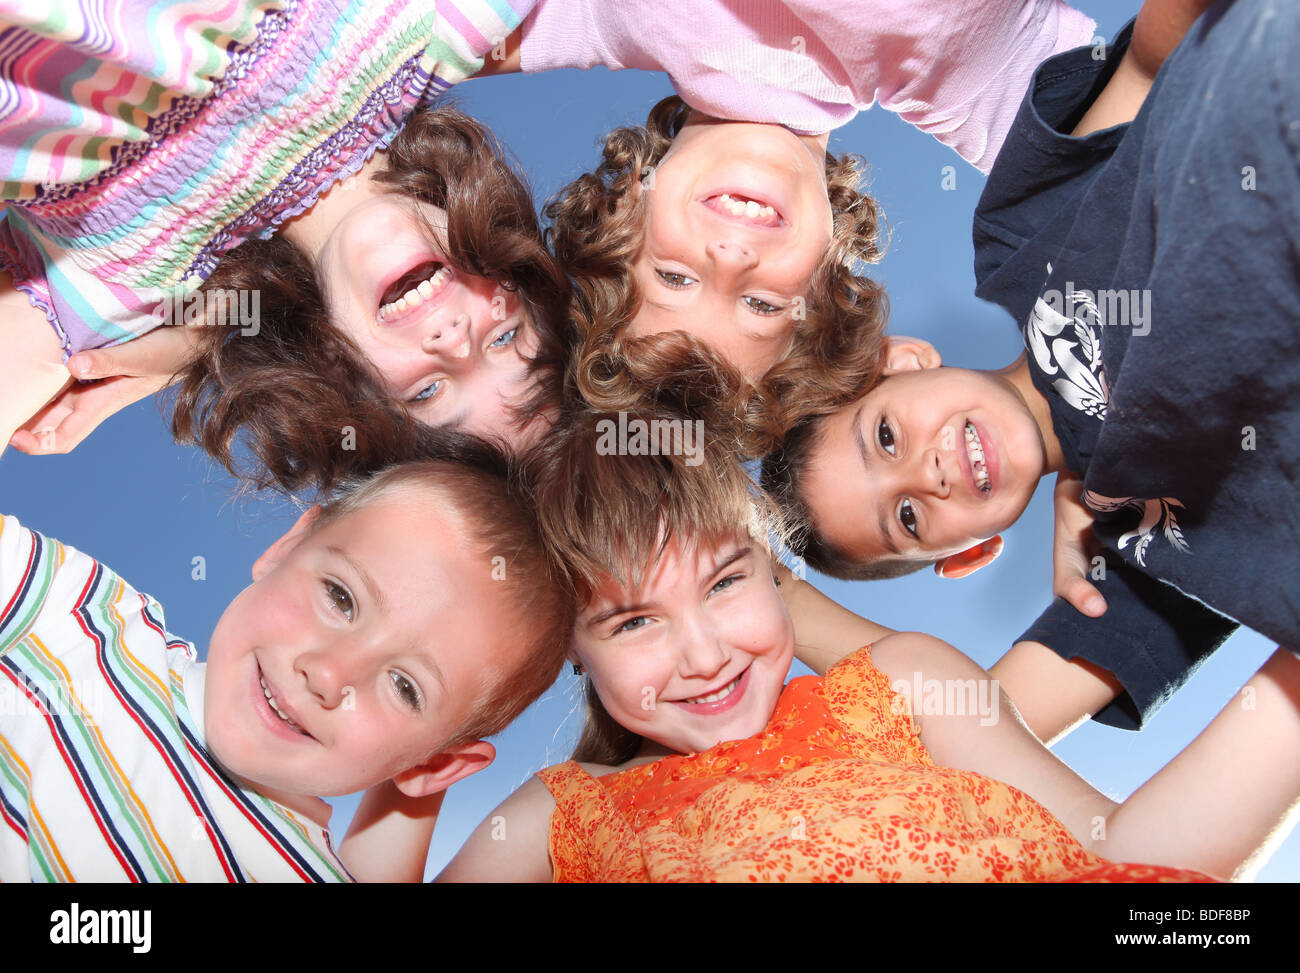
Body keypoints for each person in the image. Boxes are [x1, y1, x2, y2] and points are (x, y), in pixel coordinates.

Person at [414, 404, 1300, 882]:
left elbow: (1116, 852)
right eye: (635, 620)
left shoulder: (903, 684)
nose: (705, 654)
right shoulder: (562, 815)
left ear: (775, 572)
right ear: (572, 649)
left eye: (726, 582)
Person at [762, 0, 1295, 741]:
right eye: (908, 518)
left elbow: (1151, 58)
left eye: (885, 437)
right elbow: (985, 730)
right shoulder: (1137, 556)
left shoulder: (1016, 240)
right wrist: (762, 587)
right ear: (970, 554)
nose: (926, 473)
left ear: (901, 360)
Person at [0, 1, 571, 490]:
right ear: (519, 275)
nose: (455, 343)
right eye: (504, 336)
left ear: (342, 378)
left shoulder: (115, 278)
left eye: (427, 392)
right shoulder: (440, 24)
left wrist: (220, 333)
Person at [501, 0, 1098, 450]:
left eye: (675, 278)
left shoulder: (604, 15)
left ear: (622, 212)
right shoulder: (977, 84)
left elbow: (416, 46)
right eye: (761, 305)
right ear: (826, 279)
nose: (730, 260)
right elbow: (1147, 162)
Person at [0, 438, 572, 880]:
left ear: (431, 768)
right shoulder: (78, 612)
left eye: (405, 686)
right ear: (288, 547)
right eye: (340, 598)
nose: (329, 673)